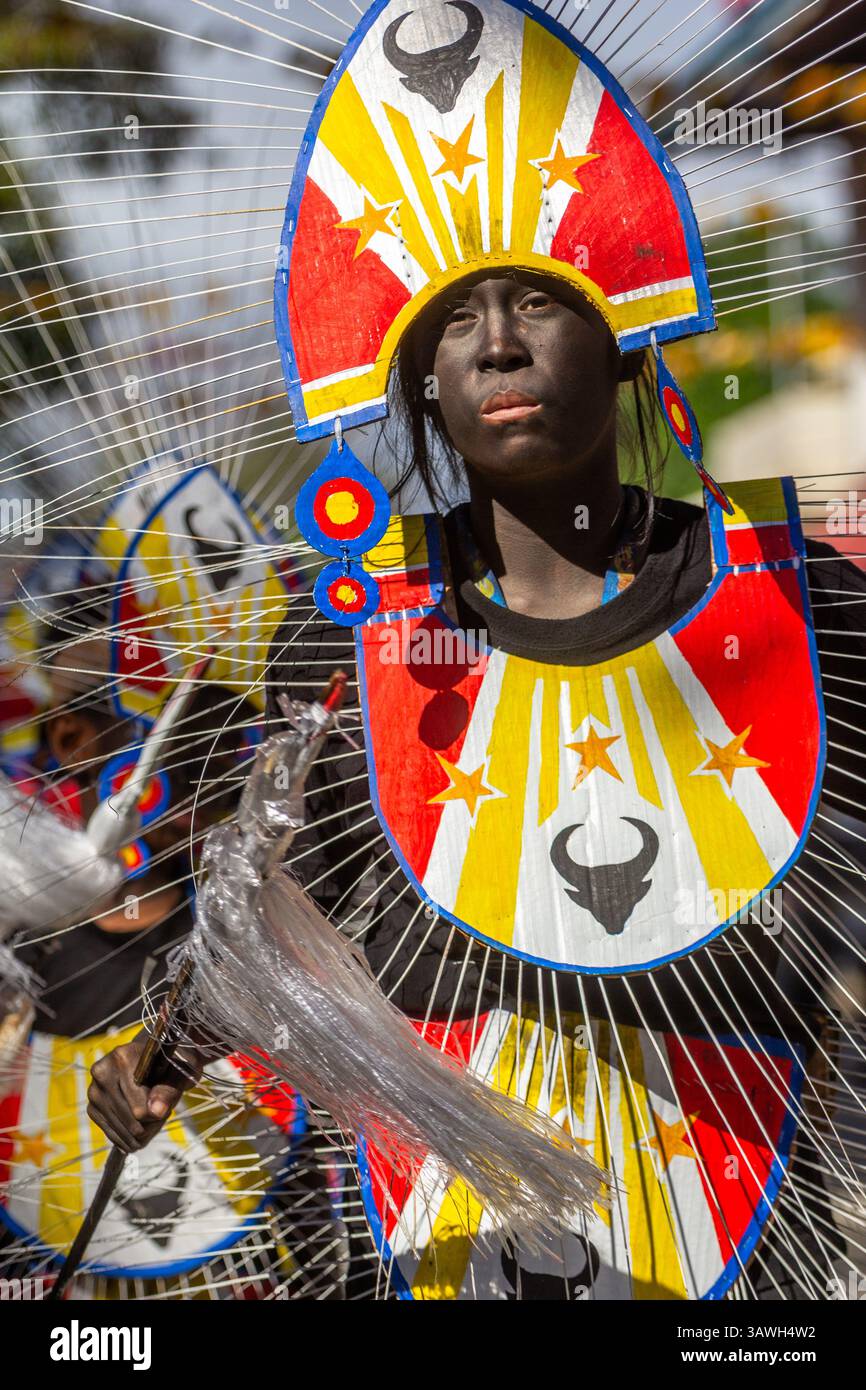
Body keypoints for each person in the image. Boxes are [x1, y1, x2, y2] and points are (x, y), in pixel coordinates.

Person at [86, 0, 866, 1299]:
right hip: (454, 1219)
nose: (497, 343)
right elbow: (292, 912)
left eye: (537, 304)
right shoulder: (362, 643)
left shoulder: (794, 605)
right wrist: (164, 1056)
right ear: (417, 381)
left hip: (748, 1188)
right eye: (455, 323)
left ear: (623, 349)